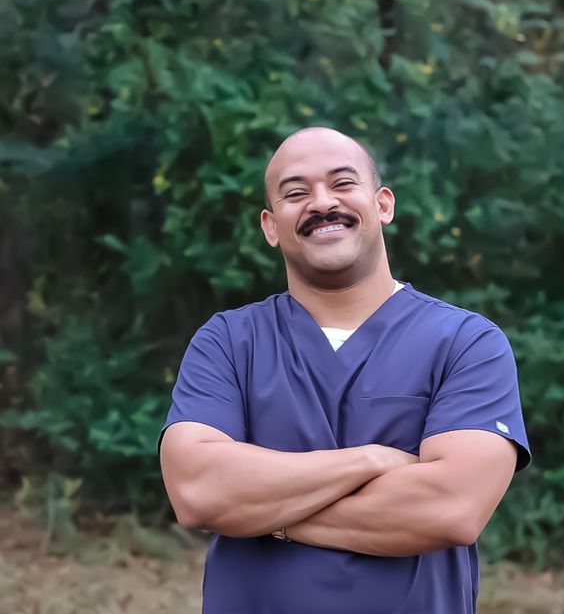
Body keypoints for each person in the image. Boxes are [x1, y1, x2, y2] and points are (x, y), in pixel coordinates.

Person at [159, 126, 530, 614]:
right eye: (296, 193)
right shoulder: (228, 342)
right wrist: (371, 460)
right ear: (270, 226)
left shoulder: (466, 343)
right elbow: (198, 492)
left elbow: (451, 510)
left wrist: (264, 515)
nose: (321, 203)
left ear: (383, 204)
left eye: (342, 183)